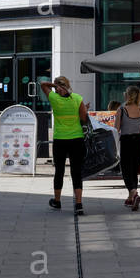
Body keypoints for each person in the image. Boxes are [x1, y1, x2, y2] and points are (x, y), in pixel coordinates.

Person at [40, 76, 89, 214]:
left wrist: (54, 86)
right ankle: (79, 204)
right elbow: (84, 118)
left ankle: (57, 201)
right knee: (76, 172)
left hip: (60, 139)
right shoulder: (77, 98)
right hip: (77, 139)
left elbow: (43, 84)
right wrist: (84, 109)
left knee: (59, 171)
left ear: (57, 87)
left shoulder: (54, 99)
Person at [116, 85, 140, 211]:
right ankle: (130, 198)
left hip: (126, 141)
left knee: (125, 170)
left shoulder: (122, 110)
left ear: (127, 95)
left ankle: (134, 193)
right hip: (139, 143)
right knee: (134, 170)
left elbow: (116, 129)